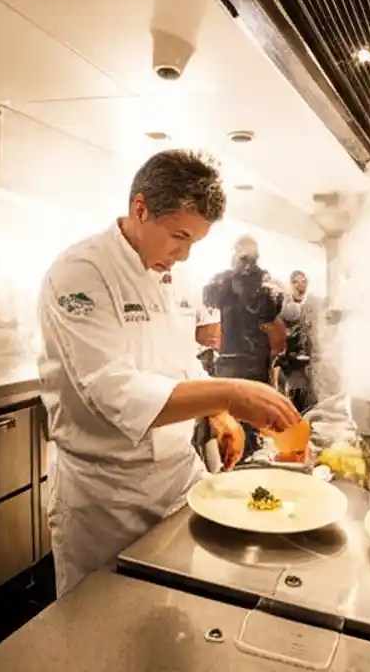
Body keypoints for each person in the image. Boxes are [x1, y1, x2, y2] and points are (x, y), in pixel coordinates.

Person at [37, 149, 301, 597]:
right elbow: (111, 390)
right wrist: (229, 395)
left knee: (174, 615)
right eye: (178, 236)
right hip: (107, 496)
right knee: (101, 628)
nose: (182, 254)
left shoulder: (169, 274)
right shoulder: (81, 272)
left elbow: (178, 358)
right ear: (140, 209)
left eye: (194, 242)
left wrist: (217, 415)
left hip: (178, 480)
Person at [203, 236, 287, 455]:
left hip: (243, 361)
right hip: (242, 360)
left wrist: (241, 277)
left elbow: (269, 309)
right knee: (239, 419)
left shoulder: (257, 281)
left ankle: (247, 459)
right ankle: (243, 458)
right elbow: (208, 297)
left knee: (247, 419)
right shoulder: (232, 281)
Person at [278, 270, 317, 412]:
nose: (300, 284)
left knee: (307, 394)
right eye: (296, 282)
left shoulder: (312, 303)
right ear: (291, 284)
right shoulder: (286, 303)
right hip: (288, 359)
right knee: (292, 393)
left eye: (303, 281)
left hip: (306, 357)